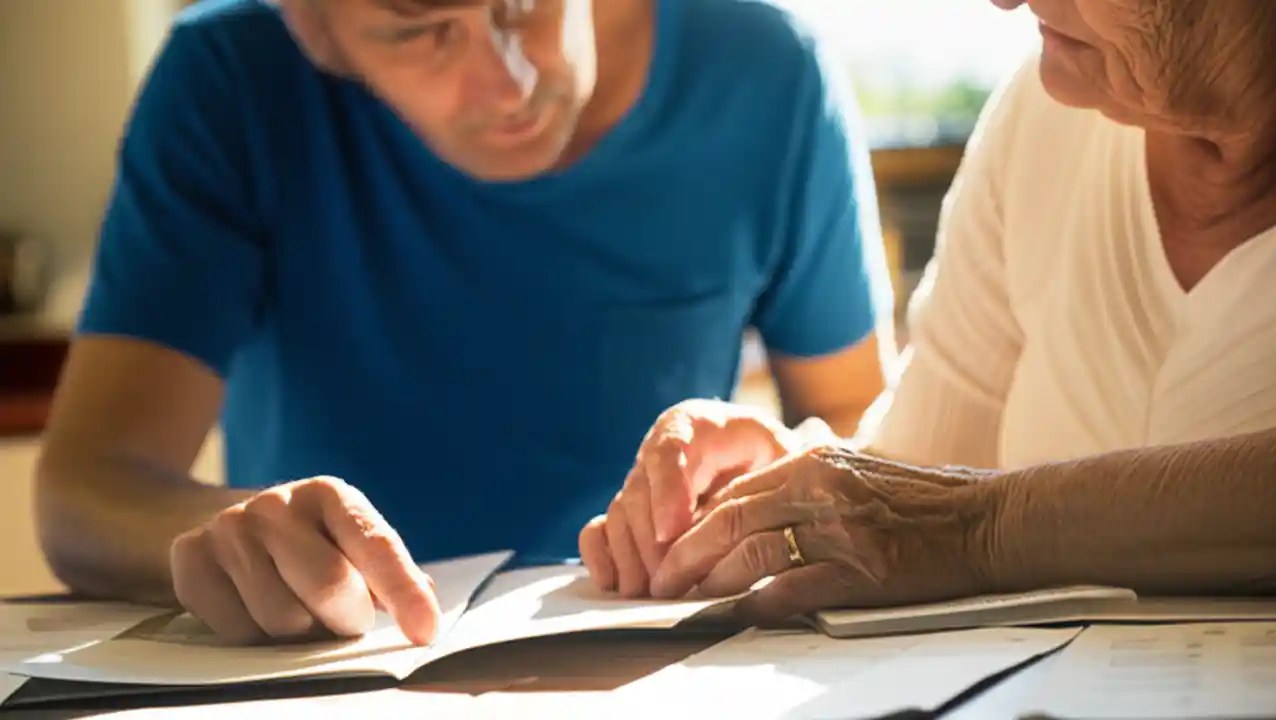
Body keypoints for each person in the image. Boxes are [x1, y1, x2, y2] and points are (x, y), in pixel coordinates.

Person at [35, 0, 894, 644]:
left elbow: (861, 418)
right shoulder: (229, 79)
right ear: (313, 26)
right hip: (335, 677)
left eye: (525, 3)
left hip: (678, 665)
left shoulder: (770, 73)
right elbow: (85, 491)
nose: (510, 81)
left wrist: (784, 472)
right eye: (420, 31)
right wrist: (231, 537)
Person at [581, 0, 1276, 618]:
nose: (1003, 1)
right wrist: (782, 493)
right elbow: (924, 477)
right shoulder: (1047, 115)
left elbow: (948, 521)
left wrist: (981, 530)